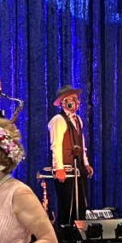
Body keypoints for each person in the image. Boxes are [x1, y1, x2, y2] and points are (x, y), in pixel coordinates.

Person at [47, 85, 93, 233]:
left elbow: (82, 143)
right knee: (67, 203)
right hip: (66, 168)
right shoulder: (58, 120)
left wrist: (85, 163)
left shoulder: (78, 119)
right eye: (72, 99)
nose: (76, 101)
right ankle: (65, 235)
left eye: (76, 99)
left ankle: (80, 234)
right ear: (63, 102)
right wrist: (58, 168)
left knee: (81, 204)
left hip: (78, 167)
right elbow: (56, 145)